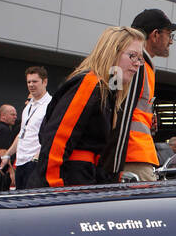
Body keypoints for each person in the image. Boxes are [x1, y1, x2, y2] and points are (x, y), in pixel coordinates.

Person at [38, 27, 146, 187]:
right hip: (69, 181)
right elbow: (56, 141)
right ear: (112, 52)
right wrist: (53, 189)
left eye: (140, 59)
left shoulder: (105, 91)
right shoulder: (90, 84)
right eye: (132, 56)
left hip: (83, 178)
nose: (137, 64)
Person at [108, 9, 176, 182]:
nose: (171, 41)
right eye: (169, 34)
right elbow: (116, 110)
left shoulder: (137, 64)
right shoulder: (137, 64)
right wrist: (113, 162)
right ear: (155, 34)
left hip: (132, 154)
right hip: (133, 156)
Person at [11, 67, 53, 189]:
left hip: (35, 162)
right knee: (19, 201)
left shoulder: (50, 105)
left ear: (44, 82)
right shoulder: (28, 106)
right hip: (20, 161)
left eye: (35, 81)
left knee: (31, 202)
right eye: (29, 82)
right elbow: (22, 133)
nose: (31, 85)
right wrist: (7, 154)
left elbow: (51, 135)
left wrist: (37, 156)